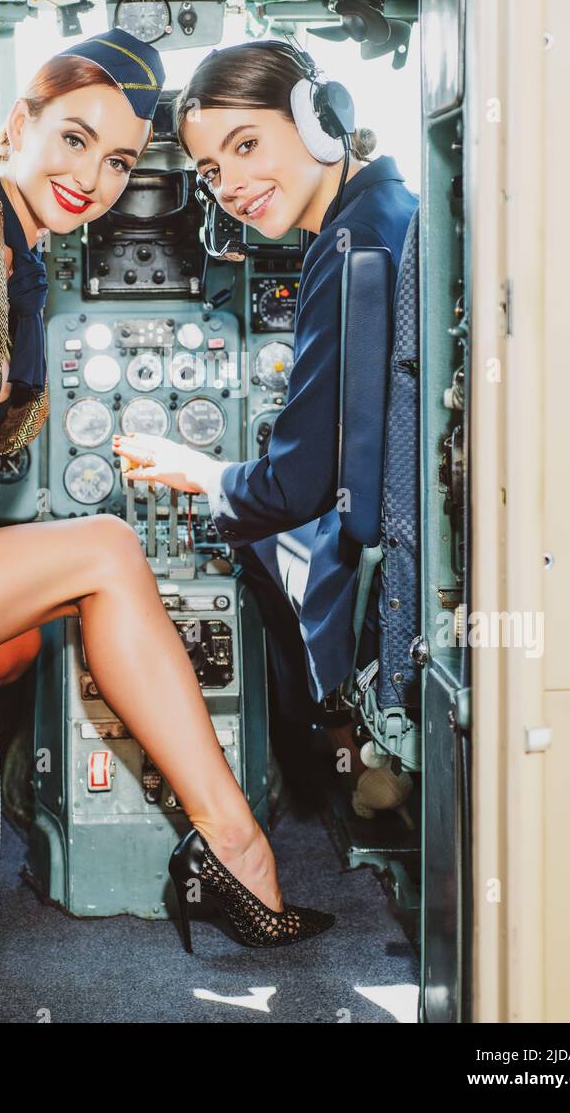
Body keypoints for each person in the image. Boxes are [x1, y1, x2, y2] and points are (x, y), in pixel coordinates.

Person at [0, 28, 334, 950]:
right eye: (75, 139)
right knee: (107, 547)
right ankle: (237, 845)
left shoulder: (1, 241)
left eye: (120, 160)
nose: (91, 178)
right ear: (20, 124)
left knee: (25, 650)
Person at [113, 40, 418, 724]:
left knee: (242, 537)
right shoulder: (388, 214)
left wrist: (199, 471)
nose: (229, 185)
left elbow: (293, 487)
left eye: (246, 145)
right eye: (212, 169)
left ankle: (318, 742)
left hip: (376, 538)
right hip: (396, 516)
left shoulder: (348, 246)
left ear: (319, 121)